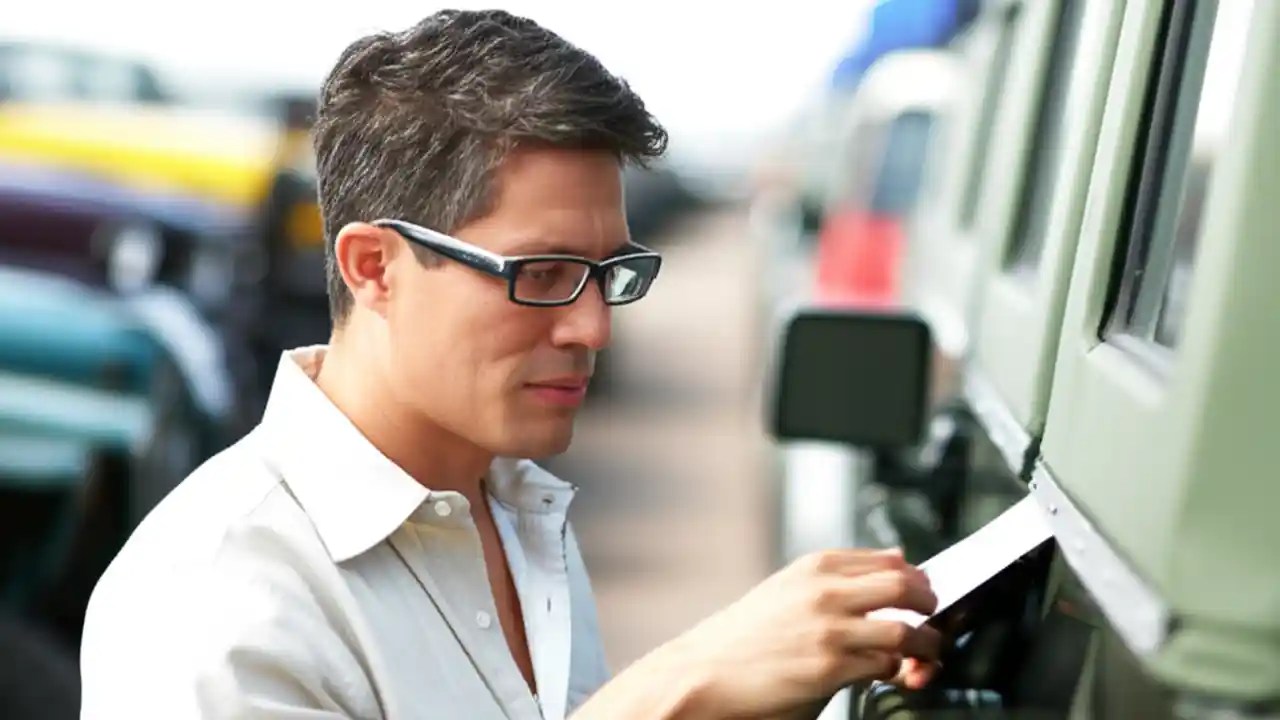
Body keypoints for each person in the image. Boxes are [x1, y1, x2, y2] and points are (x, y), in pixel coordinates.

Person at [79, 10, 941, 719]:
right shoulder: (215, 602)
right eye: (544, 275)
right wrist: (672, 697)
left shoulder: (516, 503)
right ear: (373, 266)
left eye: (608, 274)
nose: (593, 327)